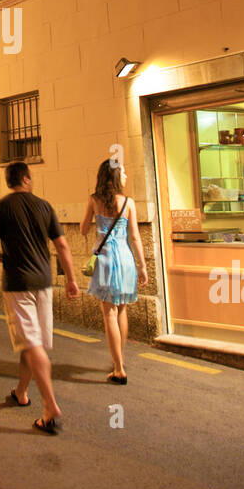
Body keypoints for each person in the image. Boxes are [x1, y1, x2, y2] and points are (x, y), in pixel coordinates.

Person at [0, 162, 80, 435]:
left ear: (9, 181)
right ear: (26, 179)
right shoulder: (45, 206)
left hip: (18, 284)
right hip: (44, 283)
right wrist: (72, 280)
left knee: (30, 342)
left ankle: (50, 407)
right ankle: (21, 392)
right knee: (34, 342)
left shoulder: (0, 207)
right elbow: (62, 245)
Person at [80, 162, 148, 384]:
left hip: (106, 259)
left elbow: (82, 229)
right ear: (115, 178)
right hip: (126, 259)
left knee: (108, 313)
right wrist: (143, 266)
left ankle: (118, 368)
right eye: (123, 173)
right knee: (122, 310)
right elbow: (135, 237)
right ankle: (120, 359)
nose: (126, 175)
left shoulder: (94, 200)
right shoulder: (128, 203)